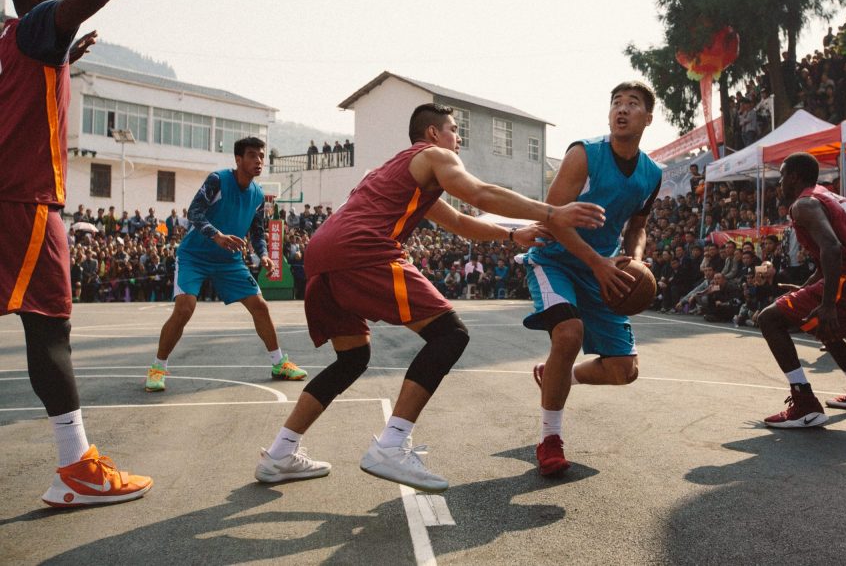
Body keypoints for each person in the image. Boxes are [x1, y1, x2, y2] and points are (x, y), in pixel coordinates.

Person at [253, 102, 604, 492]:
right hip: (362, 250)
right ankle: (391, 445)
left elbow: (459, 223)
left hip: (323, 255)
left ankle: (280, 453)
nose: (458, 139)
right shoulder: (434, 156)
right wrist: (553, 212)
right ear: (434, 134)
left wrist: (511, 234)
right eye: (455, 130)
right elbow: (481, 193)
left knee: (352, 358)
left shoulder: (396, 173)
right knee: (450, 334)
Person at [0, 0, 185, 507]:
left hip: (10, 195)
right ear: (36, 3)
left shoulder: (15, 44)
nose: (66, 1)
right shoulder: (34, 28)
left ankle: (74, 465)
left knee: (39, 326)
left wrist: (65, 57)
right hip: (25, 201)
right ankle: (75, 467)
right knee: (49, 328)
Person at [523, 81, 662, 476]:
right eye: (616, 102)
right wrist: (596, 262)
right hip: (555, 259)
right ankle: (550, 439)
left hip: (601, 266)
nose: (622, 109)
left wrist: (633, 263)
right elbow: (551, 217)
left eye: (632, 104)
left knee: (623, 370)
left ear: (647, 118)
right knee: (569, 333)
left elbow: (638, 226)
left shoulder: (652, 174)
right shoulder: (583, 155)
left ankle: (557, 375)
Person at [144, 137, 307, 392]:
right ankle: (158, 368)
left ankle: (279, 363)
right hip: (194, 256)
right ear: (238, 159)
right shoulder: (217, 180)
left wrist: (262, 255)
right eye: (252, 155)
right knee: (185, 308)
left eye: (262, 156)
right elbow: (194, 212)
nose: (259, 161)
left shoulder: (257, 194)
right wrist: (217, 236)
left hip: (229, 260)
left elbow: (257, 230)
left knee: (260, 307)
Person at [756, 153, 846, 428]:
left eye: (782, 176)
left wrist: (828, 303)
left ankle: (805, 404)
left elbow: (832, 248)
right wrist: (808, 291)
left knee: (768, 319)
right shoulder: (833, 197)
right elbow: (830, 256)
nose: (780, 182)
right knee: (820, 322)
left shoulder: (804, 204)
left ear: (793, 177)